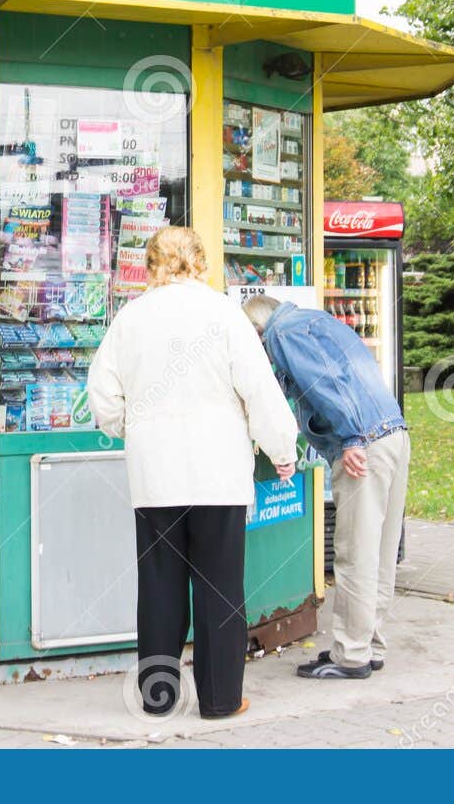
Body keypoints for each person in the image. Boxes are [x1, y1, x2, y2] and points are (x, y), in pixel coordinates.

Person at [87, 227, 299, 718]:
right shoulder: (224, 314)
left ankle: (157, 699)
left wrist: (130, 426)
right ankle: (221, 699)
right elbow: (259, 391)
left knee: (159, 587)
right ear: (200, 261)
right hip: (217, 474)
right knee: (219, 587)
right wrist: (281, 448)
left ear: (152, 264)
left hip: (154, 476)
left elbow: (102, 395)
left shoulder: (131, 318)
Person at [241, 294, 409, 680]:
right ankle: (369, 645)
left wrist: (351, 436)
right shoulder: (316, 321)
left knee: (354, 554)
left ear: (256, 329)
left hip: (363, 444)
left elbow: (324, 381)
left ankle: (351, 655)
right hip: (393, 434)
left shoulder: (282, 333)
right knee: (381, 553)